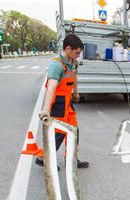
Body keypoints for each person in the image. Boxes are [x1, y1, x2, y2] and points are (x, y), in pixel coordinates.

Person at [37, 34, 89, 169]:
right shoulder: (56, 64)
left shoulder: (73, 62)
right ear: (68, 48)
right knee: (59, 133)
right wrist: (46, 109)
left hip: (67, 101)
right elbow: (51, 86)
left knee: (74, 131)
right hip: (58, 103)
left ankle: (71, 159)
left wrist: (75, 92)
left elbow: (74, 77)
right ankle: (43, 158)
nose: (78, 55)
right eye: (77, 52)